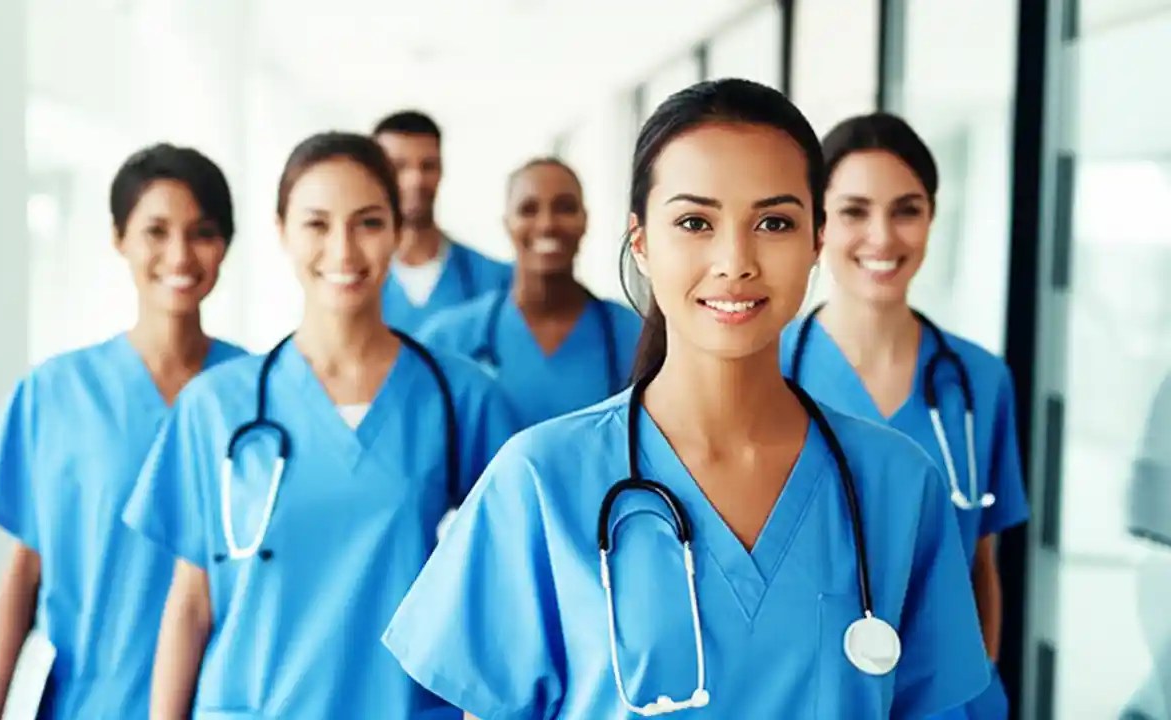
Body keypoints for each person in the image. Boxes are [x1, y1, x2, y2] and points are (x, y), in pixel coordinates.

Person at [382, 79, 990, 718]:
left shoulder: (896, 485)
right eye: (695, 222)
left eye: (774, 222)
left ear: (816, 241)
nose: (735, 261)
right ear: (640, 242)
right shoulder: (538, 480)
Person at [123, 131, 519, 719]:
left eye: (367, 222)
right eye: (316, 224)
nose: (343, 249)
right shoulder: (216, 407)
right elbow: (190, 604)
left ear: (396, 230)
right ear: (281, 231)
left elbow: (503, 596)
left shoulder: (464, 400)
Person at [0, 143, 246, 719]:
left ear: (226, 244)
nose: (180, 254)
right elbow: (26, 567)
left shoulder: (255, 395)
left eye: (203, 231)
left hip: (223, 704)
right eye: (155, 231)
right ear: (119, 238)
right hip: (90, 703)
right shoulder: (56, 392)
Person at [779, 112, 1031, 720]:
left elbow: (980, 567)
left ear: (932, 218)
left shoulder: (979, 381)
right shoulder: (769, 371)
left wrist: (975, 692)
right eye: (854, 211)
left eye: (906, 209)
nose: (883, 236)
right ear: (817, 225)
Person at [416, 157, 641, 428]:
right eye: (528, 209)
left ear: (585, 220)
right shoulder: (447, 339)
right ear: (507, 223)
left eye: (565, 208)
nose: (547, 224)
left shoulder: (634, 335)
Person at [372, 110, 513, 333]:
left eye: (428, 165)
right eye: (399, 167)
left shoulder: (496, 282)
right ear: (375, 175)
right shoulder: (352, 283)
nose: (416, 180)